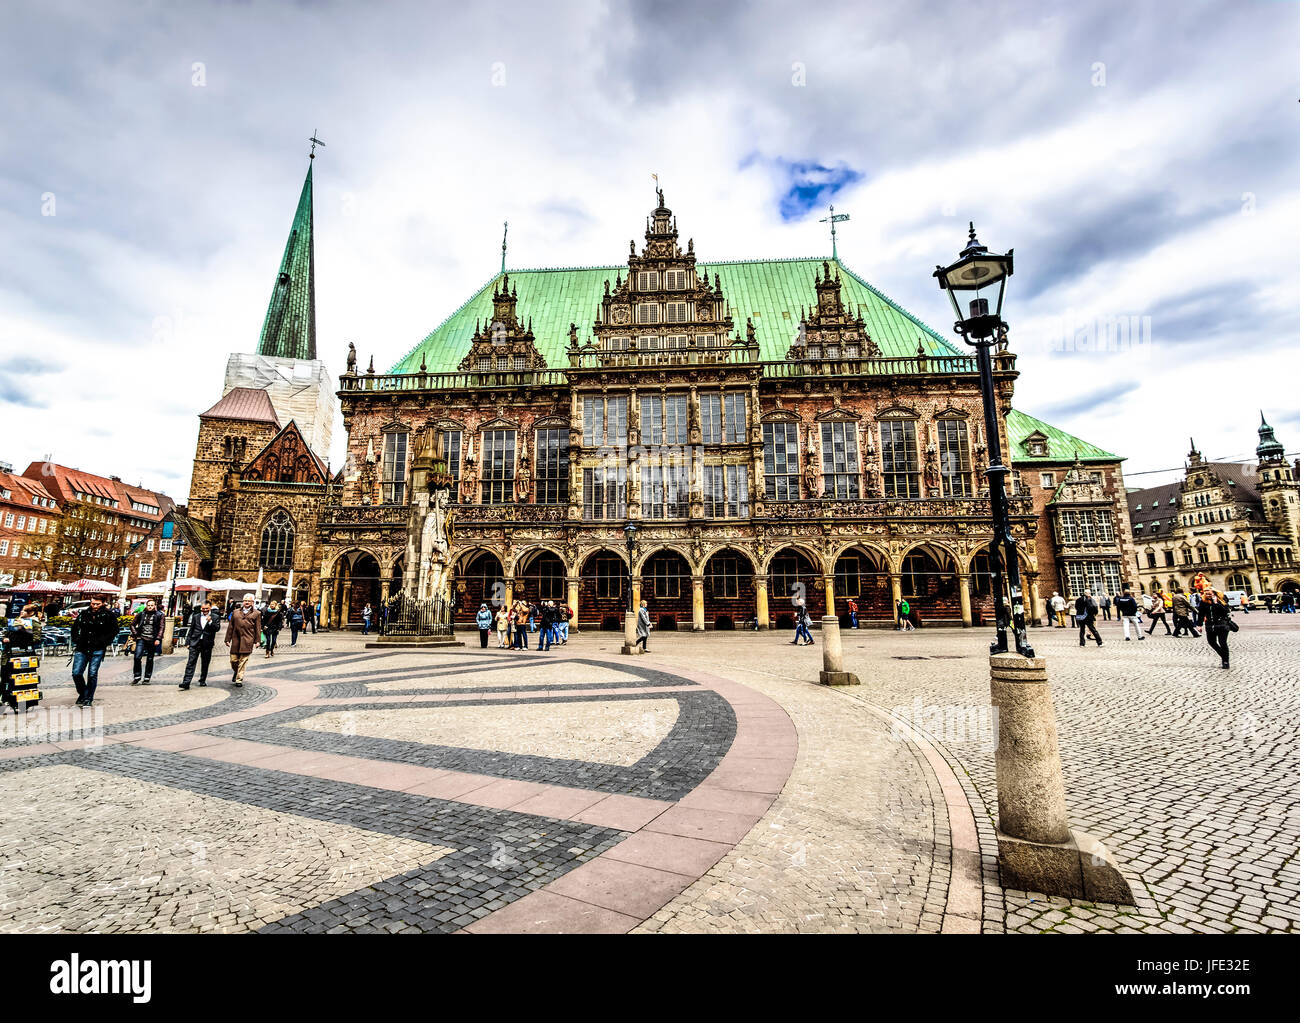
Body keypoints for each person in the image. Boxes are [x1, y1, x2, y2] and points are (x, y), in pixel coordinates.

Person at [69, 594, 118, 708]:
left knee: (92, 674)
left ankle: (88, 698)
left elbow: (114, 630)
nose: (94, 606)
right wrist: (76, 639)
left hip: (98, 648)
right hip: (82, 647)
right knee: (76, 673)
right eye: (93, 603)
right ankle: (83, 693)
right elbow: (75, 628)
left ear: (103, 603)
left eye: (97, 604)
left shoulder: (108, 615)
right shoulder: (84, 614)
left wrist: (103, 641)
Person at [179, 601, 221, 689]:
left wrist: (210, 622)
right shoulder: (196, 616)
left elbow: (217, 629)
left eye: (207, 609)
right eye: (203, 609)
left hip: (207, 643)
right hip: (195, 642)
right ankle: (186, 682)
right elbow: (191, 629)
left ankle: (202, 680)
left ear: (210, 608)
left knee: (205, 663)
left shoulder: (215, 617)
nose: (204, 610)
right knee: (190, 662)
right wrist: (187, 642)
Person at [224, 593, 262, 687]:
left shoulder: (257, 613)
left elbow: (258, 627)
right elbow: (231, 626)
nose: (247, 602)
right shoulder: (235, 612)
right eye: (245, 600)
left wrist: (258, 641)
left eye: (249, 601)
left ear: (252, 602)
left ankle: (239, 679)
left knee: (243, 660)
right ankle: (237, 672)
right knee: (233, 660)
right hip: (236, 639)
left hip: (248, 639)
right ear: (243, 601)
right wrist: (227, 639)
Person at [130, 598, 165, 684]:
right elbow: (132, 624)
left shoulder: (160, 615)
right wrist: (136, 634)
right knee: (137, 657)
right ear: (146, 606)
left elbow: (162, 627)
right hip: (141, 638)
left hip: (152, 639)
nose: (150, 607)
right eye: (148, 605)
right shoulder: (141, 614)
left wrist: (158, 638)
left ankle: (147, 677)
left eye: (152, 605)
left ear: (154, 606)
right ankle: (137, 676)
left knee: (150, 658)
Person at [1201, 589, 1235, 669]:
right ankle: (1224, 656)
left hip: (1222, 625)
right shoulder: (1203, 602)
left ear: (1214, 594)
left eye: (1210, 594)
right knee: (1211, 642)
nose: (1208, 596)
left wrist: (1216, 603)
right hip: (1210, 625)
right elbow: (1201, 613)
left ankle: (1225, 661)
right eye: (1206, 594)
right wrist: (1199, 624)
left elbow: (1226, 611)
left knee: (1222, 642)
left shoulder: (1221, 601)